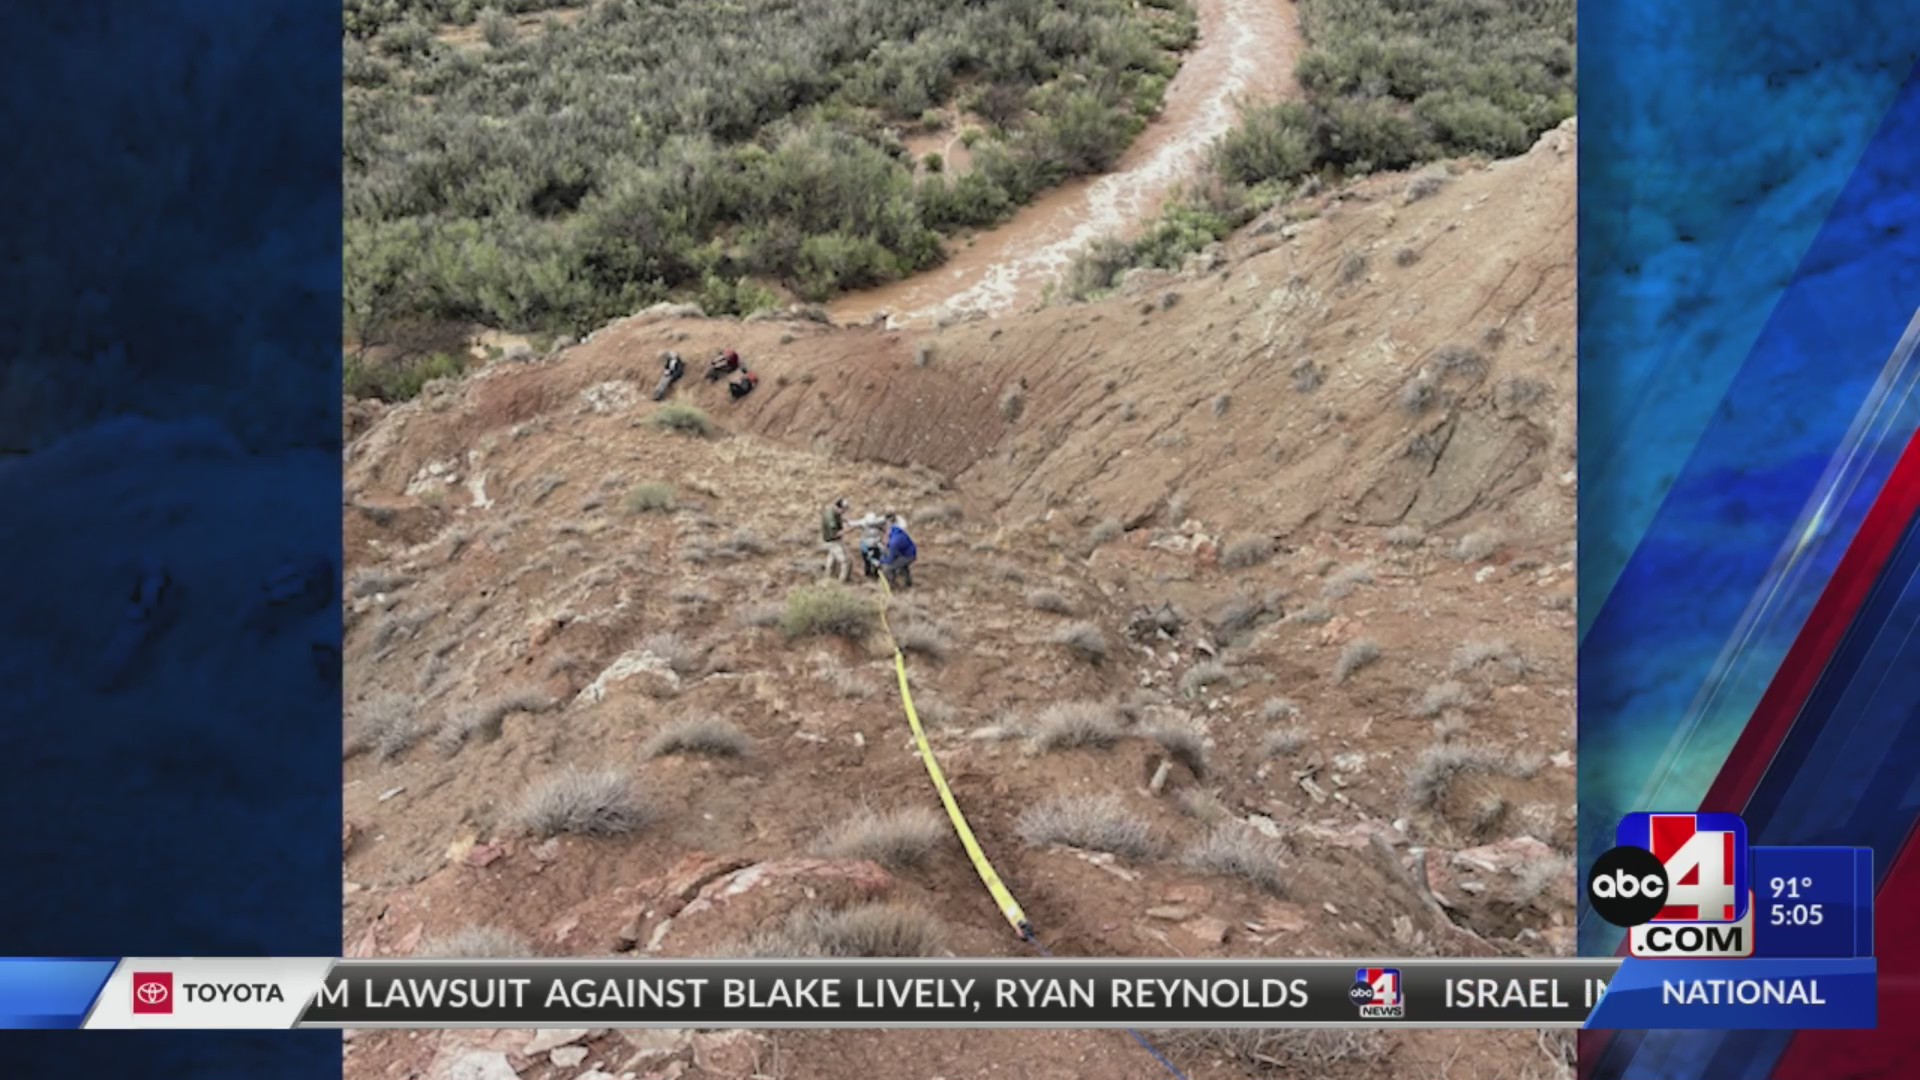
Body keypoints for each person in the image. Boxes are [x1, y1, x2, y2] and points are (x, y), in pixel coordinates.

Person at [881, 514, 917, 590]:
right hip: (908, 552)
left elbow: (890, 559)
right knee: (903, 566)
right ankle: (908, 583)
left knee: (889, 567)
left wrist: (882, 561)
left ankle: (891, 585)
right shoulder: (896, 530)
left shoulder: (894, 542)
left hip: (907, 556)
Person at [849, 509, 888, 578]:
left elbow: (886, 518)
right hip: (866, 545)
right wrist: (847, 522)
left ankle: (876, 574)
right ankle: (868, 574)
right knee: (867, 561)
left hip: (876, 544)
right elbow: (853, 523)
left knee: (877, 559)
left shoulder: (878, 522)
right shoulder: (862, 522)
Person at [820, 497, 851, 583]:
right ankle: (842, 581)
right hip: (832, 542)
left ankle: (827, 578)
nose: (844, 512)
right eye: (843, 510)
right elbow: (835, 534)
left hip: (832, 541)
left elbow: (838, 517)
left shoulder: (832, 511)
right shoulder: (830, 518)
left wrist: (844, 520)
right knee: (845, 561)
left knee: (831, 562)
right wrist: (847, 530)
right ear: (838, 507)